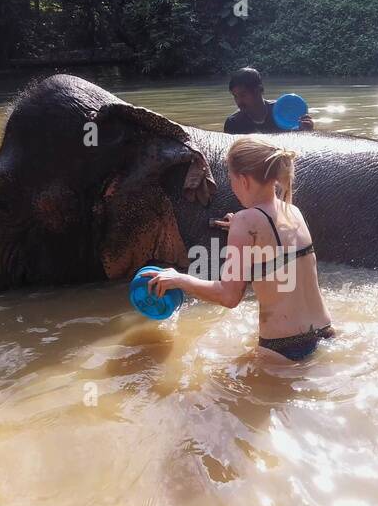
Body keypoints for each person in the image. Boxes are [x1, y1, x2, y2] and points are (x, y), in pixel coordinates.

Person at [142, 137, 333, 362]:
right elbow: (279, 254)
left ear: (243, 180)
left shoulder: (246, 222)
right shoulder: (293, 211)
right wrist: (242, 230)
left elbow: (229, 296)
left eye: (231, 179)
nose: (232, 186)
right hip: (325, 332)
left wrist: (178, 279)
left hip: (285, 347)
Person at [223, 67, 314, 134]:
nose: (239, 101)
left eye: (243, 95)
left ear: (259, 90)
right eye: (235, 96)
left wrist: (307, 131)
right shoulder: (233, 123)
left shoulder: (283, 112)